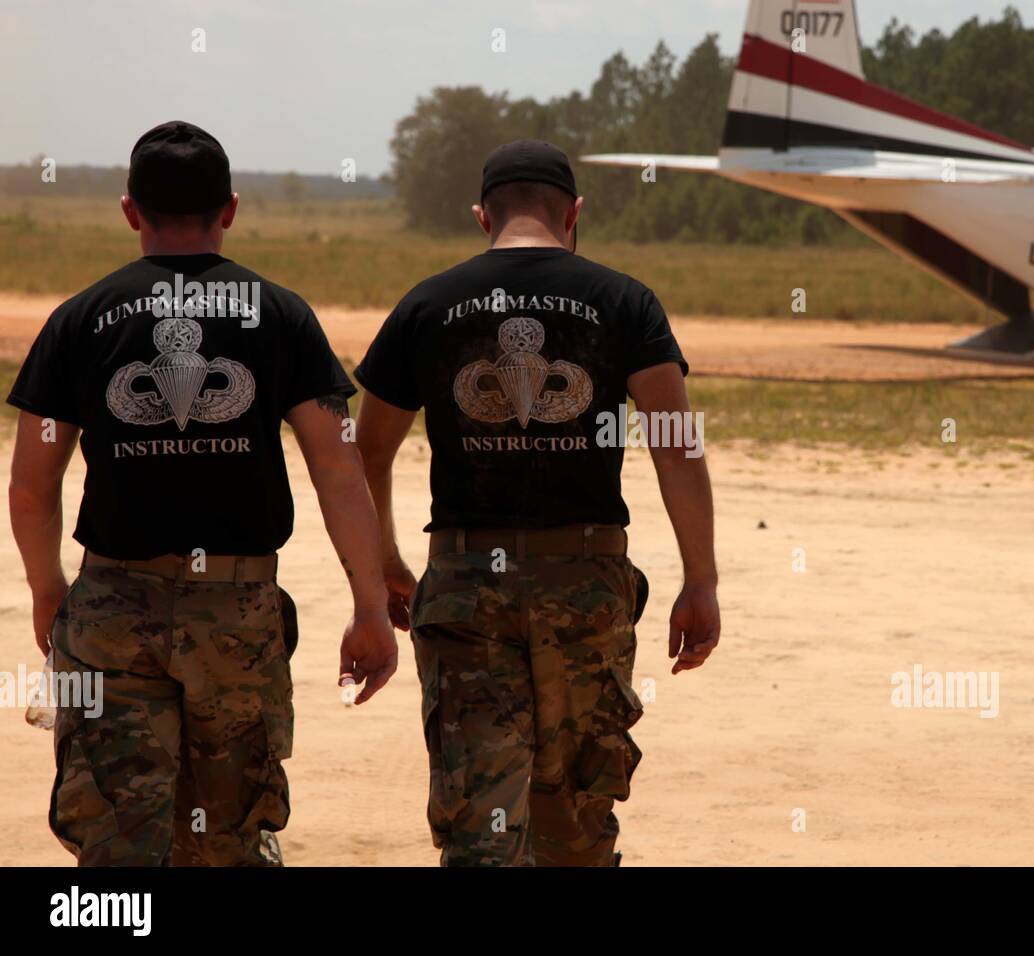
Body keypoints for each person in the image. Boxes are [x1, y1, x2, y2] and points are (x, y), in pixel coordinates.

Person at [7, 121, 398, 866]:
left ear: (130, 211)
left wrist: (48, 588)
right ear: (230, 209)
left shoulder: (79, 319)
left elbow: (32, 485)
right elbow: (338, 469)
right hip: (238, 610)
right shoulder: (280, 314)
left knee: (117, 843)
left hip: (113, 607)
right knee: (228, 838)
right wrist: (369, 605)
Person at [354, 139, 721, 866]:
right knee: (576, 827)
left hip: (464, 593)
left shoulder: (428, 303)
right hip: (584, 588)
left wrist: (386, 566)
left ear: (482, 216)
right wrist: (699, 579)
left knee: (481, 832)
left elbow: (366, 451)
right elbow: (677, 442)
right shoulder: (625, 301)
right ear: (574, 214)